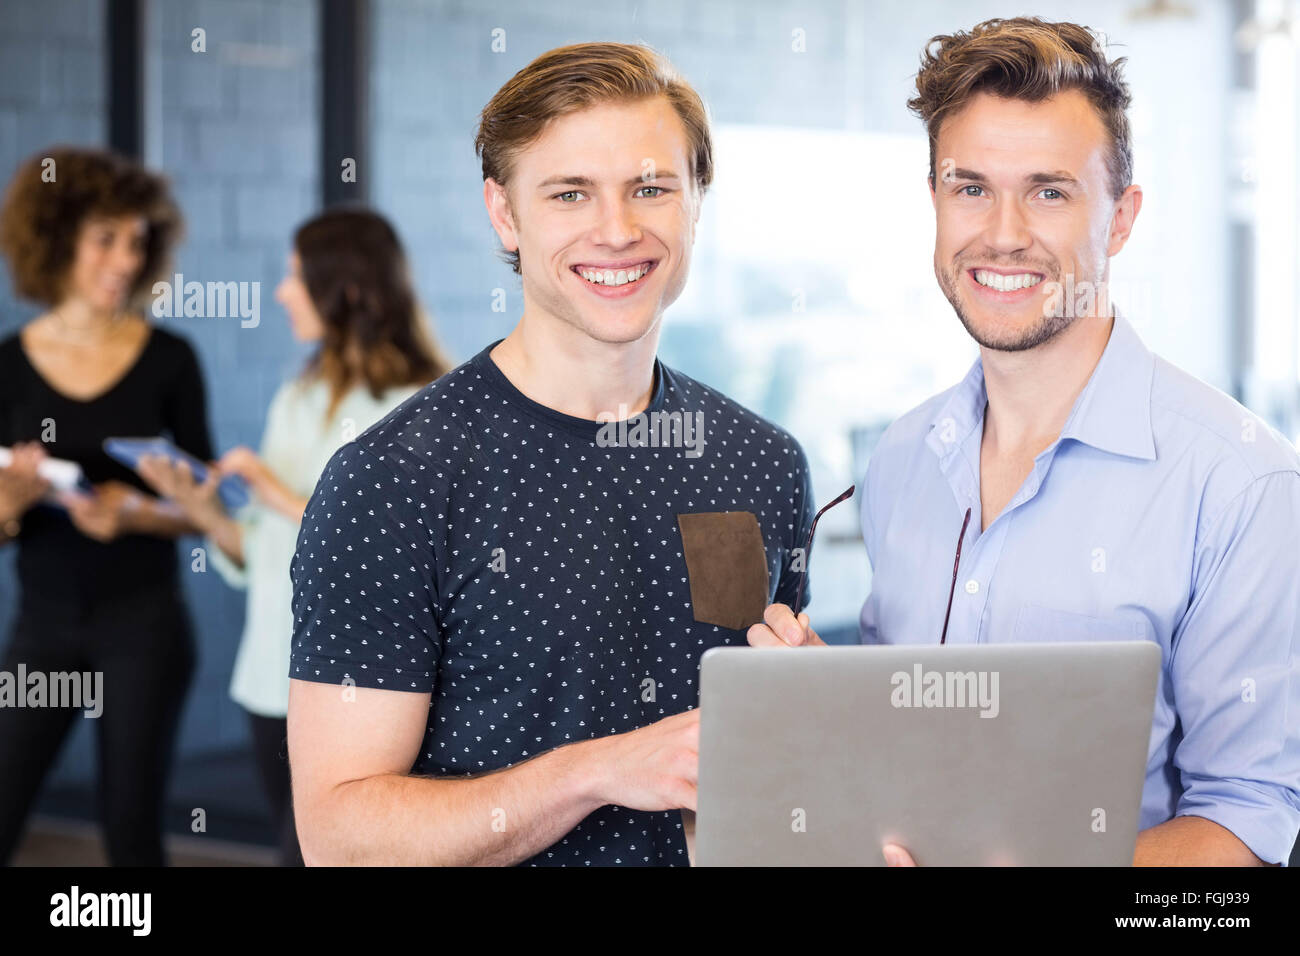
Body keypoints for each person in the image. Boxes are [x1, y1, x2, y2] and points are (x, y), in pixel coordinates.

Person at [748, 17, 1300, 866]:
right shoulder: (901, 460)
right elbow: (916, 762)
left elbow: (1248, 830)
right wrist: (838, 704)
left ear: (1120, 219)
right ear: (934, 198)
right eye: (970, 187)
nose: (1002, 233)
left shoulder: (1243, 486)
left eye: (1049, 191)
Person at [286, 42, 816, 866]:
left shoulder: (761, 463)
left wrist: (814, 723)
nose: (618, 230)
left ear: (696, 203)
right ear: (505, 213)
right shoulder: (393, 480)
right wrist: (600, 771)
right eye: (571, 193)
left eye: (651, 188)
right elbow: (340, 838)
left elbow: (769, 784)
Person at [131, 208, 450, 866]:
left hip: (359, 687)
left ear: (349, 289)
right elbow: (258, 551)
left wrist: (274, 492)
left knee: (317, 855)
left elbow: (393, 553)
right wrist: (203, 509)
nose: (281, 292)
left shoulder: (422, 404)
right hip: (268, 674)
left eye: (295, 276)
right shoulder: (298, 394)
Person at [0, 146, 213, 865]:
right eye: (107, 238)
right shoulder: (8, 365)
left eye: (138, 241)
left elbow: (209, 507)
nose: (126, 258)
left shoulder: (170, 359)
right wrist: (9, 504)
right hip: (42, 628)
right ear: (59, 241)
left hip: (144, 629)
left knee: (130, 834)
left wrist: (137, 514)